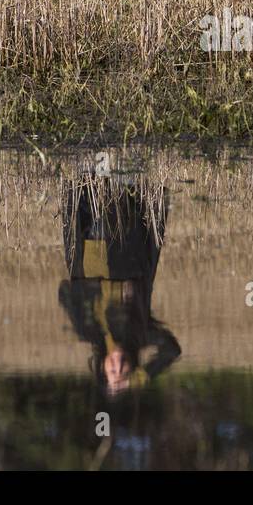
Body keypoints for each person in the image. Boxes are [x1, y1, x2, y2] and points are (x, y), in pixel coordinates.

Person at [59, 170, 180, 397]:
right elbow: (171, 351)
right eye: (123, 371)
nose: (118, 365)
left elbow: (65, 293)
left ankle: (92, 166)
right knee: (122, 188)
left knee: (87, 187)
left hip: (90, 250)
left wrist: (87, 291)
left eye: (112, 371)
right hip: (125, 249)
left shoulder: (88, 332)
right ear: (132, 367)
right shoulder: (140, 334)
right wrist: (139, 379)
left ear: (102, 367)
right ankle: (119, 164)